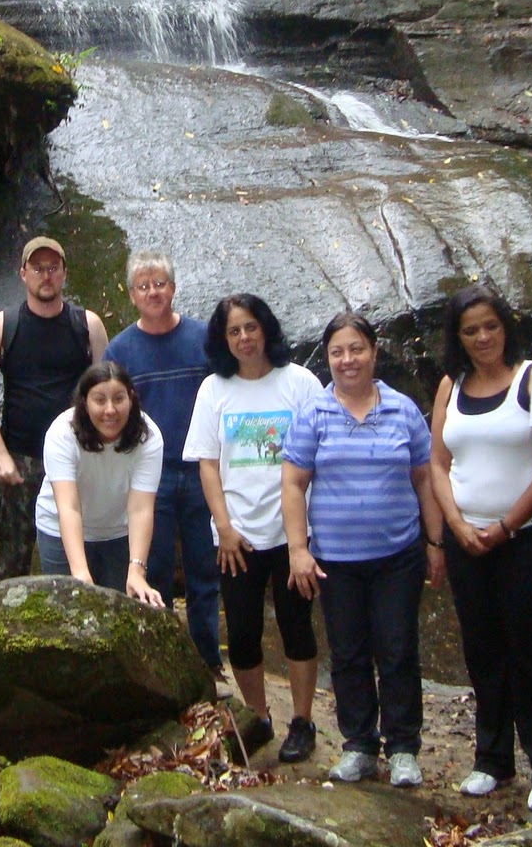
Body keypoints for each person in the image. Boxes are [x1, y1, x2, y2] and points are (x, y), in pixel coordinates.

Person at [283, 311, 445, 788]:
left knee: (397, 650)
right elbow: (293, 483)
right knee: (349, 653)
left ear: (374, 352)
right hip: (335, 559)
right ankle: (357, 744)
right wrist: (298, 549)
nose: (347, 360)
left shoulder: (402, 410)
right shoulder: (314, 412)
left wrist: (435, 541)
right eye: (337, 351)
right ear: (327, 358)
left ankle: (402, 748)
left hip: (398, 554)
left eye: (356, 349)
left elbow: (423, 478)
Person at [429, 286, 532, 815]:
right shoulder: (452, 385)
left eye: (491, 326)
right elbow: (437, 463)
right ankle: (492, 758)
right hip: (468, 542)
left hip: (524, 539)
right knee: (482, 651)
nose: (483, 338)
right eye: (471, 331)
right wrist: (455, 527)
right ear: (457, 338)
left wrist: (507, 526)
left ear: (505, 325)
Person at [185, 294, 325, 763]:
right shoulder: (214, 389)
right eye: (233, 331)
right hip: (236, 537)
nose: (244, 338)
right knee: (242, 632)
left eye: (250, 327)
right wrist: (222, 527)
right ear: (223, 340)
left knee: (296, 626)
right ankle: (259, 717)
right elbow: (207, 464)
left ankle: (302, 722)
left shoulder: (300, 382)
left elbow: (319, 454)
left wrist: (306, 535)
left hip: (292, 534)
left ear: (265, 328)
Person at [103, 250, 221, 671]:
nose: (153, 292)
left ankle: (207, 660)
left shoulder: (203, 339)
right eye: (143, 286)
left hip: (202, 472)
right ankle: (165, 661)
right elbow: (109, 412)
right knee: (153, 569)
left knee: (205, 571)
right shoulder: (120, 349)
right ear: (131, 294)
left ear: (173, 288)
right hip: (149, 475)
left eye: (159, 284)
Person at [0, 237, 108, 581]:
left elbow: (107, 392)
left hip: (78, 456)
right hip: (20, 458)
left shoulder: (87, 325)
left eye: (52, 268)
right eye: (37, 268)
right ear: (23, 273)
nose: (45, 276)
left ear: (63, 274)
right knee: (12, 560)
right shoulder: (1, 326)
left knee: (79, 553)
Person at [34, 361, 165, 606]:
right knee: (68, 610)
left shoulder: (148, 436)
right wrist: (80, 572)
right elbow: (68, 506)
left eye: (118, 399)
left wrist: (137, 570)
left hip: (117, 531)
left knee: (118, 609)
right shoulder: (61, 433)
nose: (110, 410)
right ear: (84, 402)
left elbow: (141, 508)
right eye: (100, 400)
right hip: (59, 529)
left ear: (131, 398)